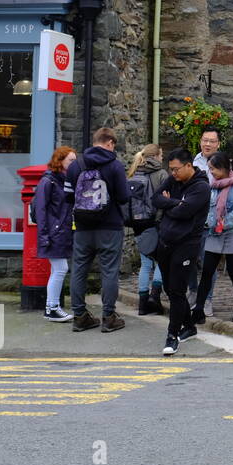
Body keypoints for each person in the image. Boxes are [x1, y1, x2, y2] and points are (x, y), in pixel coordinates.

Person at [66, 127, 132, 333]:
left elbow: (68, 197)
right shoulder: (115, 166)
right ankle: (109, 316)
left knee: (78, 270)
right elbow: (123, 197)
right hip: (109, 227)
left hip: (83, 227)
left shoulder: (76, 165)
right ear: (110, 142)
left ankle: (79, 316)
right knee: (109, 271)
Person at [154, 149, 210, 355]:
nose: (173, 174)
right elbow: (155, 198)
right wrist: (174, 203)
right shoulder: (172, 180)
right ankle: (189, 325)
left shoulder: (201, 187)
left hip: (186, 244)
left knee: (177, 290)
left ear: (189, 166)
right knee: (169, 288)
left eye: (177, 169)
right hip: (165, 241)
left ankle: (172, 335)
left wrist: (171, 205)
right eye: (171, 170)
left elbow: (184, 211)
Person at [194, 152, 233, 323]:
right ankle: (198, 309)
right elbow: (208, 209)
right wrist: (209, 222)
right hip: (214, 234)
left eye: (213, 169)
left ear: (223, 168)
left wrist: (224, 223)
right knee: (207, 272)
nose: (211, 172)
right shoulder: (213, 187)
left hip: (232, 234)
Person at [32, 146, 76, 322]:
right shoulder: (48, 181)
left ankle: (52, 307)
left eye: (75, 160)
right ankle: (52, 308)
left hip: (62, 232)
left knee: (57, 269)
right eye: (70, 160)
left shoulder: (64, 180)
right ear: (60, 161)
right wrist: (44, 237)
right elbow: (41, 211)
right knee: (60, 269)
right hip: (53, 233)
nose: (74, 163)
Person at [128, 144, 167, 316]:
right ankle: (155, 296)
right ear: (157, 155)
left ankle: (142, 305)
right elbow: (164, 201)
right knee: (162, 261)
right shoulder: (161, 174)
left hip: (138, 223)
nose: (163, 157)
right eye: (162, 154)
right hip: (155, 223)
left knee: (145, 264)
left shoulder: (134, 171)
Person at [189, 126, 222, 309]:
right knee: (190, 260)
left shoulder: (223, 163)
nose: (207, 144)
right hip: (193, 220)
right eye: (205, 140)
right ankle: (193, 292)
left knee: (209, 263)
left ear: (218, 144)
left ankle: (207, 299)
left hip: (211, 220)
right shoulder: (193, 162)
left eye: (211, 141)